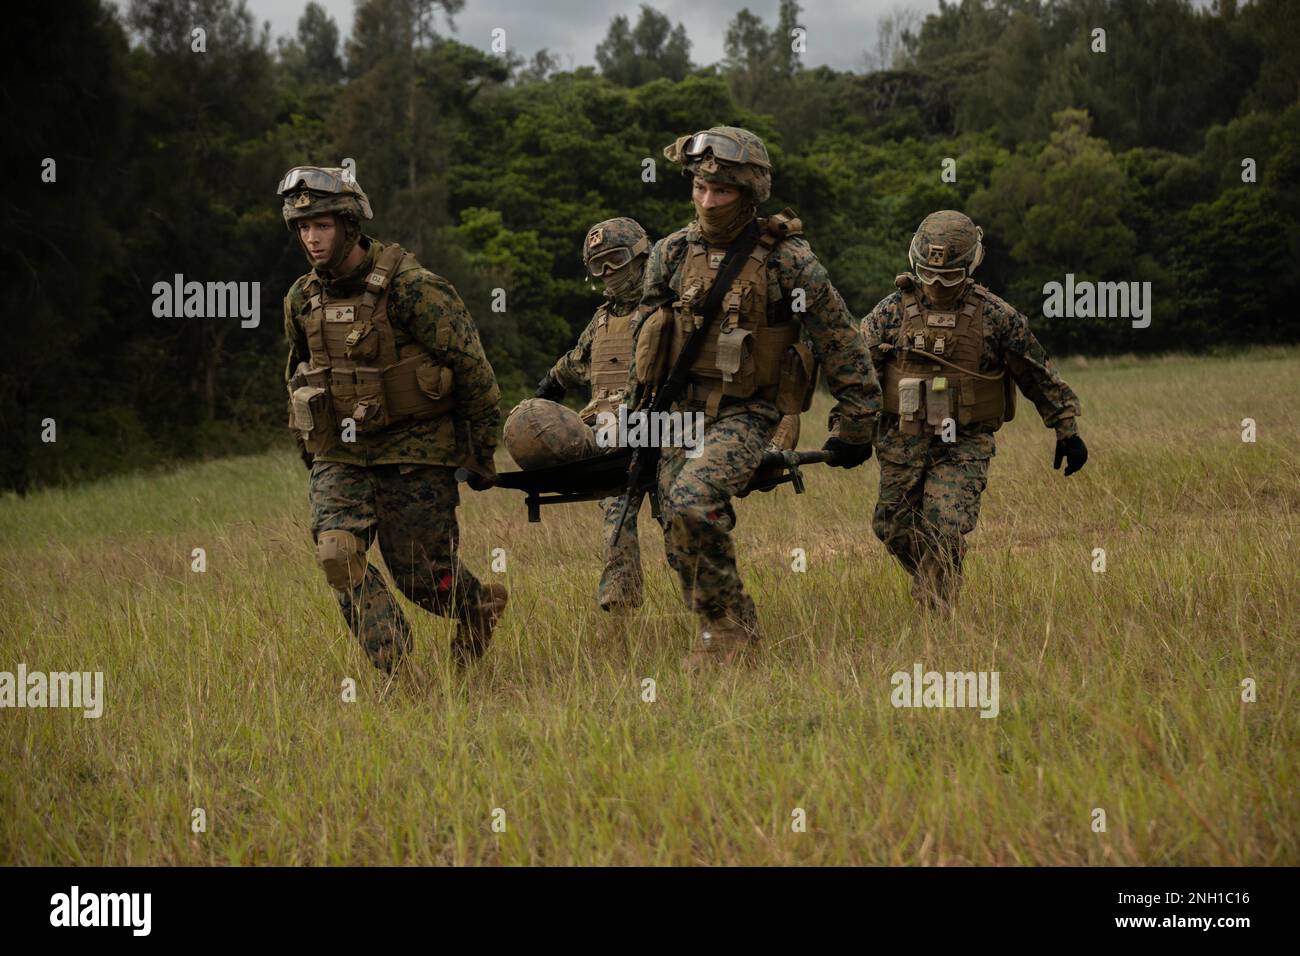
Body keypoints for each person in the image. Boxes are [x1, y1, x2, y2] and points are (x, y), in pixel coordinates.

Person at [631, 127, 881, 667]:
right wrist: (630, 418)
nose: (706, 200)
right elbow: (648, 338)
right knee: (676, 525)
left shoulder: (788, 263)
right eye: (699, 187)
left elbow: (840, 341)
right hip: (679, 412)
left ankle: (728, 632)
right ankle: (721, 624)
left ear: (748, 193)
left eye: (720, 191)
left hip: (748, 410)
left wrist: (856, 425)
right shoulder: (670, 254)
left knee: (693, 500)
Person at [278, 165, 507, 673]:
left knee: (424, 577)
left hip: (416, 449)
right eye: (302, 227)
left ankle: (478, 606)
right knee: (337, 554)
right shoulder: (301, 298)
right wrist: (308, 448)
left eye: (322, 225)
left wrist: (481, 450)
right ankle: (396, 667)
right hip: (340, 451)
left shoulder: (414, 289)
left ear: (349, 225)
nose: (311, 239)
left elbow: (473, 371)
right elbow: (298, 372)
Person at [864, 209, 1088, 614]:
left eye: (948, 277)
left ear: (970, 267)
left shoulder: (997, 317)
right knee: (892, 528)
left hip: (962, 442)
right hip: (901, 441)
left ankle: (935, 616)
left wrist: (1066, 429)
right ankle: (937, 571)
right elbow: (857, 375)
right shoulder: (890, 313)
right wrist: (848, 431)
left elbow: (1036, 373)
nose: (935, 285)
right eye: (927, 275)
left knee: (943, 528)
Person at [535, 217, 653, 614]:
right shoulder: (602, 319)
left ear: (641, 256)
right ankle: (621, 602)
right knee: (616, 514)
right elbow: (578, 360)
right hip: (610, 431)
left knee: (680, 517)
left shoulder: (666, 309)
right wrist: (550, 383)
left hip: (663, 428)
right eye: (598, 265)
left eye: (616, 259)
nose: (608, 273)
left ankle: (707, 602)